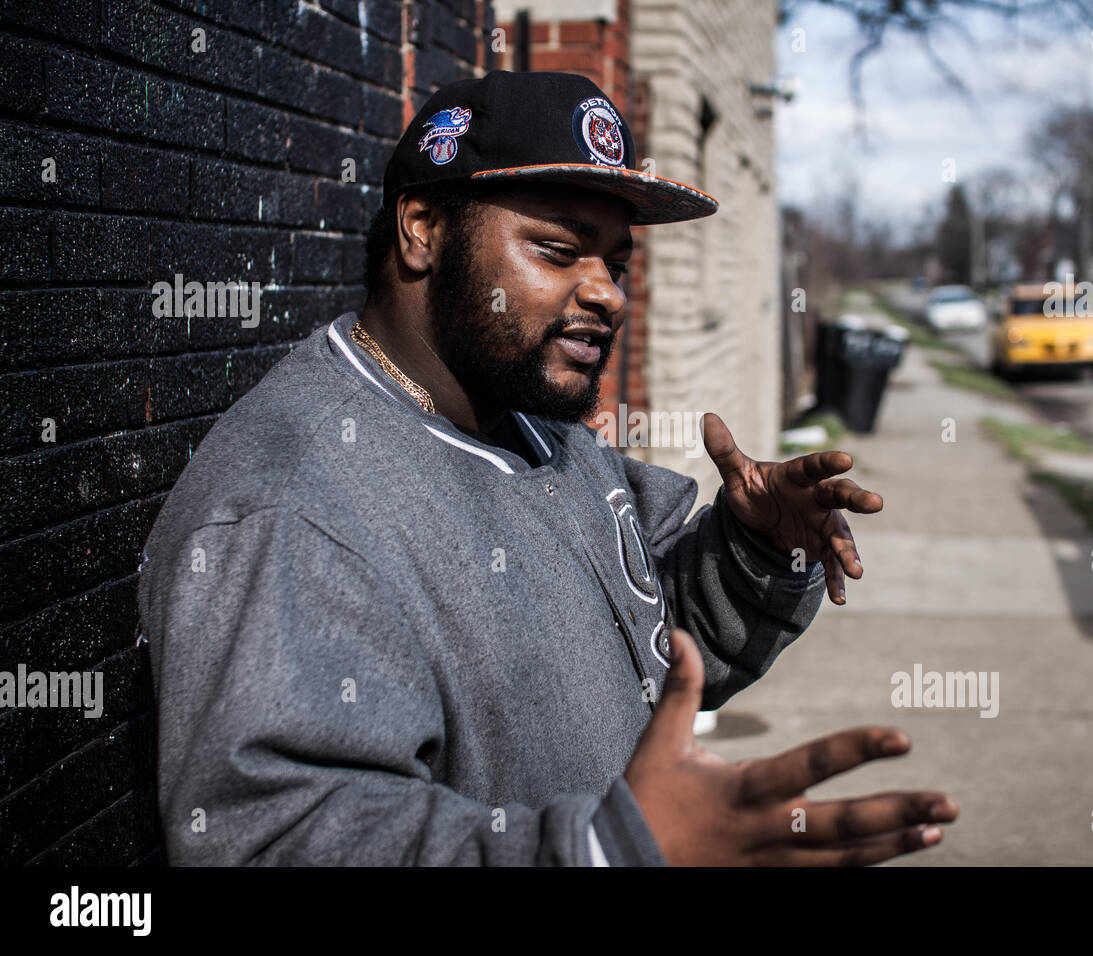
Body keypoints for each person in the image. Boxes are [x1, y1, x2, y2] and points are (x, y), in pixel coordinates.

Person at [139, 70, 958, 865]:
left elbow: (654, 641)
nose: (607, 293)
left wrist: (750, 548)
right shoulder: (297, 509)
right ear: (422, 228)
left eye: (615, 262)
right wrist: (608, 852)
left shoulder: (535, 424)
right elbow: (276, 836)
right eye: (559, 249)